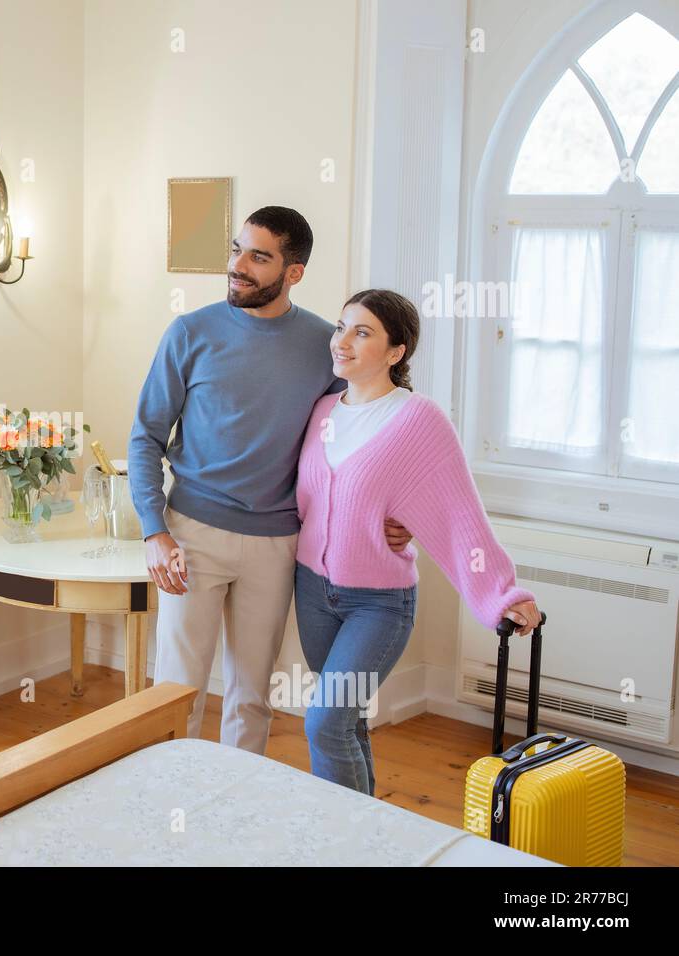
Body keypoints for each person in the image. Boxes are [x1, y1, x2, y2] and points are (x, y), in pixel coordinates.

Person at [128, 206, 411, 752]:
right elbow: (145, 436)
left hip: (278, 544)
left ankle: (237, 807)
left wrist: (391, 513)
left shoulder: (324, 346)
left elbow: (354, 441)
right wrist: (153, 530)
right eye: (237, 250)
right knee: (175, 692)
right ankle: (165, 808)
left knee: (252, 695)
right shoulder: (190, 332)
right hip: (191, 535)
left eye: (259, 257)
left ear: (294, 271)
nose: (239, 266)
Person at [293, 288, 540, 795]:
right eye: (342, 327)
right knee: (347, 722)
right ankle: (371, 843)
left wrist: (502, 594)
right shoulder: (320, 412)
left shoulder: (418, 420)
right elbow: (307, 499)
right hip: (313, 593)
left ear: (395, 352)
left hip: (377, 604)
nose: (343, 341)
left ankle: (344, 844)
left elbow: (458, 515)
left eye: (363, 332)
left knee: (324, 722)